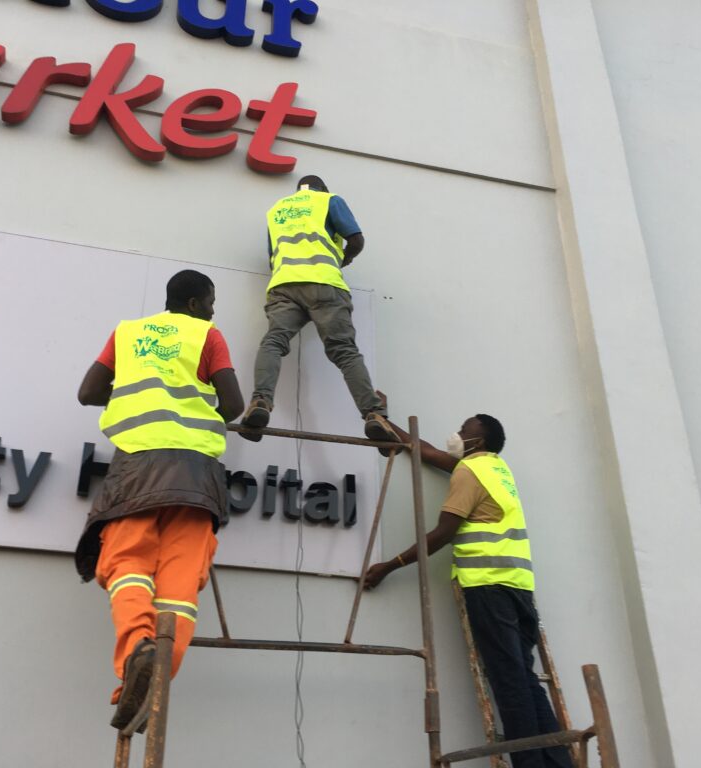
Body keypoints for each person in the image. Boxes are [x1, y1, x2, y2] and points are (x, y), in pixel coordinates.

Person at [74, 269, 244, 731]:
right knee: (179, 589)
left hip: (137, 471)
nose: (212, 309)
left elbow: (88, 393)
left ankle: (135, 654)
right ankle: (153, 685)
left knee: (126, 564)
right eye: (210, 301)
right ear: (193, 303)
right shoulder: (207, 334)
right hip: (196, 477)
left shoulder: (126, 334)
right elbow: (234, 406)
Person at [364, 411, 573, 768]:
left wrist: (390, 565)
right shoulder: (495, 470)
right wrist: (384, 420)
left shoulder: (469, 472)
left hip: (488, 586)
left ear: (480, 441)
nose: (457, 434)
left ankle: (531, 764)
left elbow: (443, 533)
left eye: (464, 431)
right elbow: (425, 451)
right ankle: (557, 762)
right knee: (524, 677)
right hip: (518, 587)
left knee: (509, 681)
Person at [240, 175, 398, 449]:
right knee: (343, 350)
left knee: (274, 341)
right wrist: (343, 259)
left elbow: (272, 255)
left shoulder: (277, 210)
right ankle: (374, 414)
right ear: (321, 188)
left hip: (283, 283)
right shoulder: (329, 200)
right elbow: (356, 240)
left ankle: (261, 400)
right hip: (324, 282)